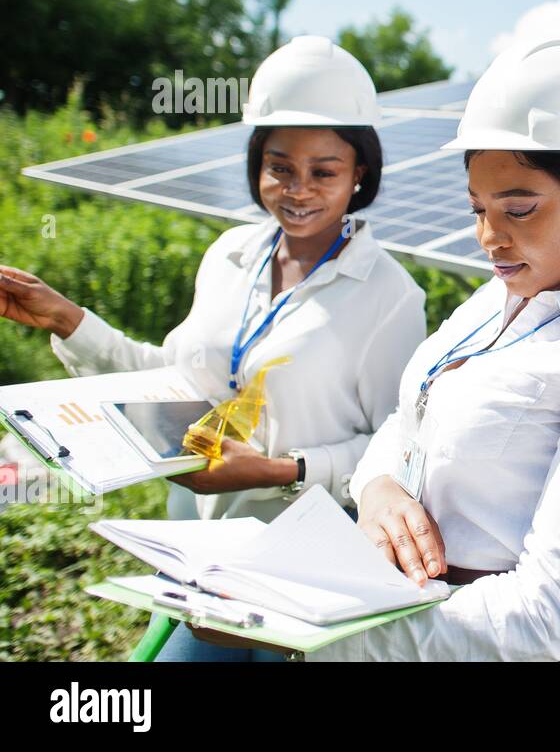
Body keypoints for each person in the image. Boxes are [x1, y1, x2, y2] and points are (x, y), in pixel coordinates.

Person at [255, 37, 560, 662]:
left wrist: (326, 632)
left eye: (519, 209)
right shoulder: (494, 300)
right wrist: (379, 485)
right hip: (413, 622)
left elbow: (543, 619)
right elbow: (410, 418)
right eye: (478, 209)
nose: (490, 238)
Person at [0, 36, 427, 660]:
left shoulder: (391, 295)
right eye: (279, 166)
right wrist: (68, 320)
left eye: (324, 172)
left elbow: (396, 449)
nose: (297, 189)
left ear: (359, 172)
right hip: (193, 548)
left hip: (298, 569)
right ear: (257, 163)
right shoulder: (229, 256)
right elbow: (172, 384)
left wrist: (283, 471)